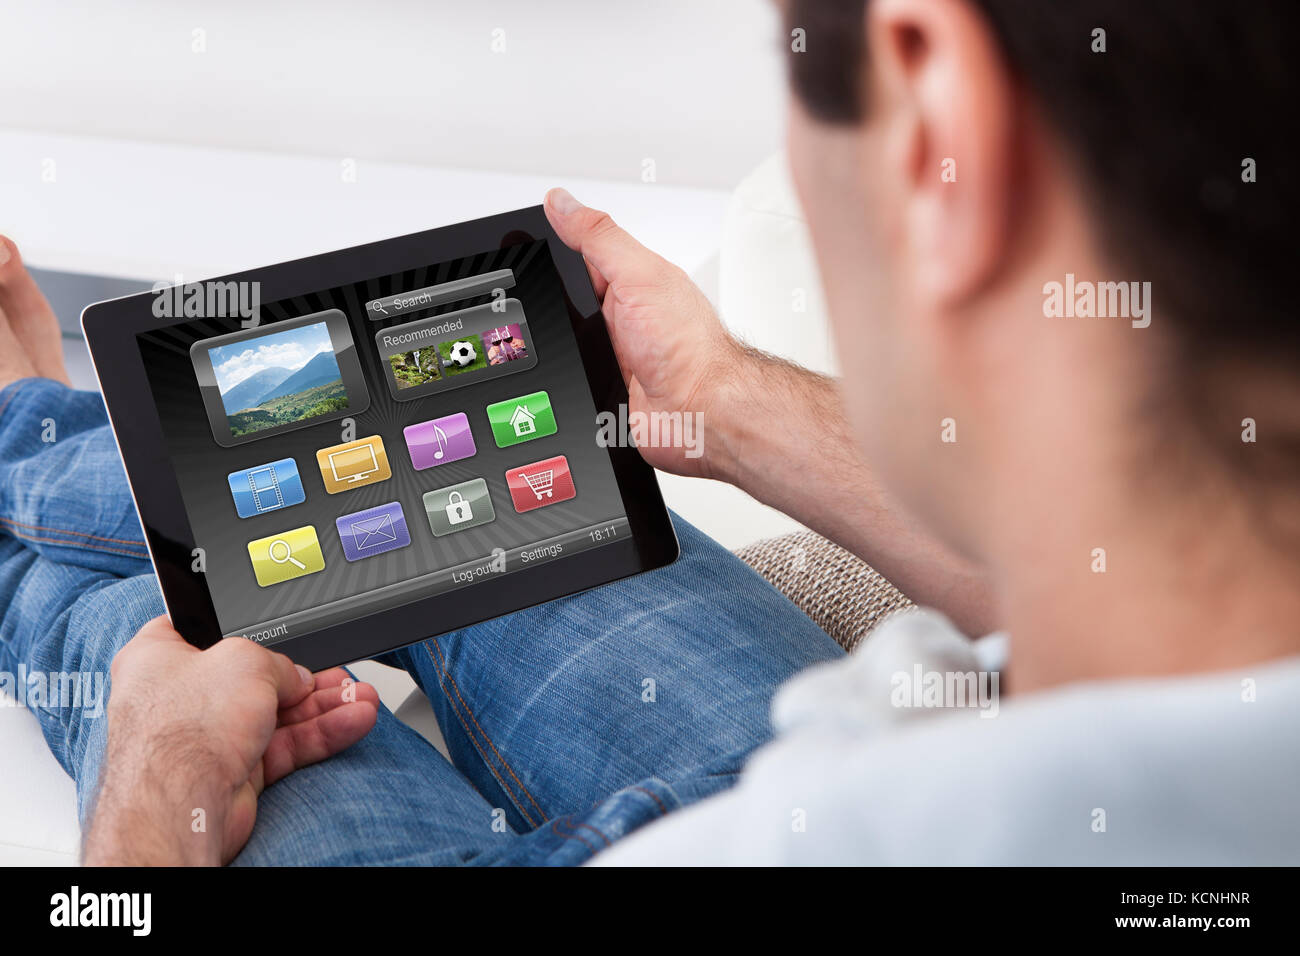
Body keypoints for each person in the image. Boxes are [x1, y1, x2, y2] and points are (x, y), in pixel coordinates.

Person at [1, 0, 1297, 865]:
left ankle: (15, 443)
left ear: (939, 130)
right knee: (522, 507)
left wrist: (148, 807)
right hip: (873, 751)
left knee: (163, 652)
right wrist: (720, 398)